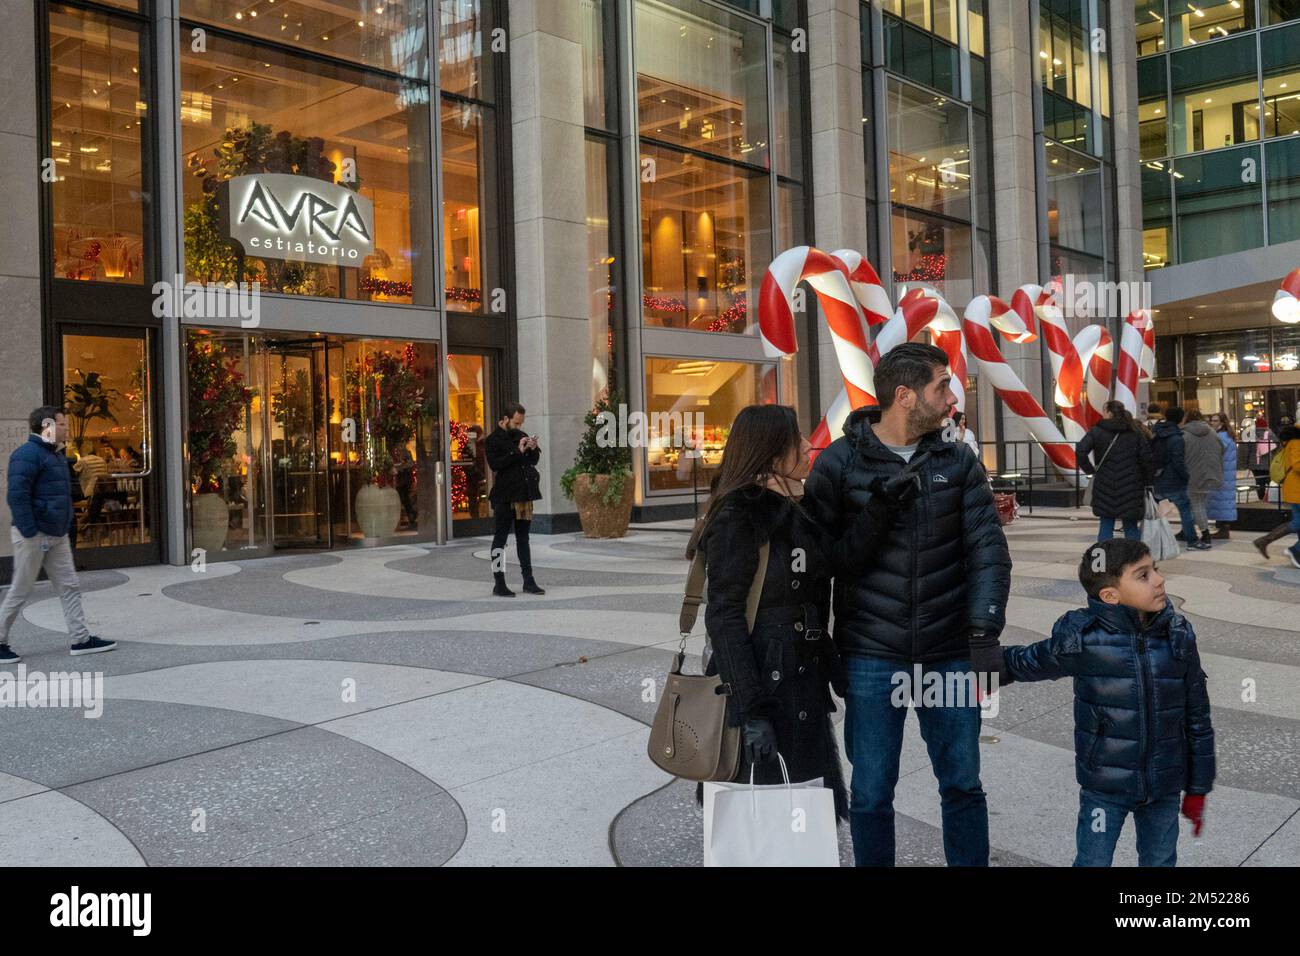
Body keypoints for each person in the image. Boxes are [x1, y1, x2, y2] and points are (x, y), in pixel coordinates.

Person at [805, 342, 1012, 867]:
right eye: (942, 385)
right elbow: (816, 561)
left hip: (948, 654)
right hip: (872, 656)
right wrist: (820, 648)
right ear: (905, 395)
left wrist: (984, 633)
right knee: (872, 794)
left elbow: (988, 551)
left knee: (963, 784)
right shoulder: (840, 461)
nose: (950, 396)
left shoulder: (958, 459)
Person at [688, 404, 907, 818]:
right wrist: (751, 712)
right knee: (760, 819)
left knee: (802, 811)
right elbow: (724, 617)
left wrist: (881, 507)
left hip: (802, 683)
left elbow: (840, 560)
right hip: (760, 690)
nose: (808, 446)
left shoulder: (797, 509)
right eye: (797, 440)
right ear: (772, 453)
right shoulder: (738, 515)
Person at [1003, 539, 1215, 866]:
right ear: (1110, 596)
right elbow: (1026, 662)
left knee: (1160, 860)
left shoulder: (1178, 634)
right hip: (1105, 788)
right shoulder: (1083, 640)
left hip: (1164, 784)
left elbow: (1197, 714)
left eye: (1155, 570)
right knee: (1093, 860)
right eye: (1143, 575)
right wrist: (979, 666)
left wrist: (1198, 786)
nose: (1159, 580)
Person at [0, 407, 116, 663]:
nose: (67, 429)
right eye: (63, 424)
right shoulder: (27, 455)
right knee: (21, 589)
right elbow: (17, 497)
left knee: (70, 586)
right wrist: (31, 531)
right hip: (35, 535)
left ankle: (80, 639)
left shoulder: (55, 455)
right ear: (48, 426)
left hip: (57, 534)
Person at [485, 402, 544, 596]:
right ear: (504, 419)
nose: (519, 427)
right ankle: (499, 582)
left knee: (523, 539)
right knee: (500, 540)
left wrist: (532, 448)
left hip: (523, 495)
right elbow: (496, 465)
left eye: (521, 423)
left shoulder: (521, 436)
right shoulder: (492, 440)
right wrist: (517, 451)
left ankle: (529, 580)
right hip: (504, 496)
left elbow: (532, 461)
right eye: (516, 423)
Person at [1076, 400, 1153, 541]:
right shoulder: (1134, 432)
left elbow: (1080, 450)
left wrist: (1090, 470)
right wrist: (1148, 481)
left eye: (1104, 410)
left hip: (1105, 482)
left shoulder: (1097, 431)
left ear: (1109, 413)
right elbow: (1146, 459)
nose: (1102, 413)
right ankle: (1133, 558)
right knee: (1130, 525)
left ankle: (1104, 560)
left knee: (1106, 523)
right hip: (1132, 484)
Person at [1151, 407, 1203, 550]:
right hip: (1173, 479)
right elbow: (1178, 462)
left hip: (1157, 478)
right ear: (1180, 419)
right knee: (1185, 509)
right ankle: (1192, 540)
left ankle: (1152, 538)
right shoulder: (1176, 438)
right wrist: (1186, 476)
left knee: (1153, 512)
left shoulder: (1156, 433)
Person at [1253, 424, 1300, 565]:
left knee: (1298, 521)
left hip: (1295, 488)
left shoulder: (1293, 441)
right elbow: (1297, 464)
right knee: (1298, 522)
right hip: (1296, 488)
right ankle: (1267, 541)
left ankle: (1297, 552)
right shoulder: (1297, 442)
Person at [1182, 410, 1223, 549]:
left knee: (1196, 505)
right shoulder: (1212, 432)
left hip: (1191, 474)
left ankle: (1205, 534)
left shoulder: (1184, 434)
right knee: (1198, 504)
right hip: (1209, 473)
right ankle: (1186, 530)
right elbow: (1221, 449)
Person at [1206, 412, 1238, 539]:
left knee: (1221, 502)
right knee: (1223, 501)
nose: (1212, 423)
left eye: (1215, 421)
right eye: (1211, 420)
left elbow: (1213, 455)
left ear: (1222, 423)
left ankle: (1223, 529)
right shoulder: (1226, 436)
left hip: (1221, 475)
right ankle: (1222, 527)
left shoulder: (1220, 437)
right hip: (1225, 474)